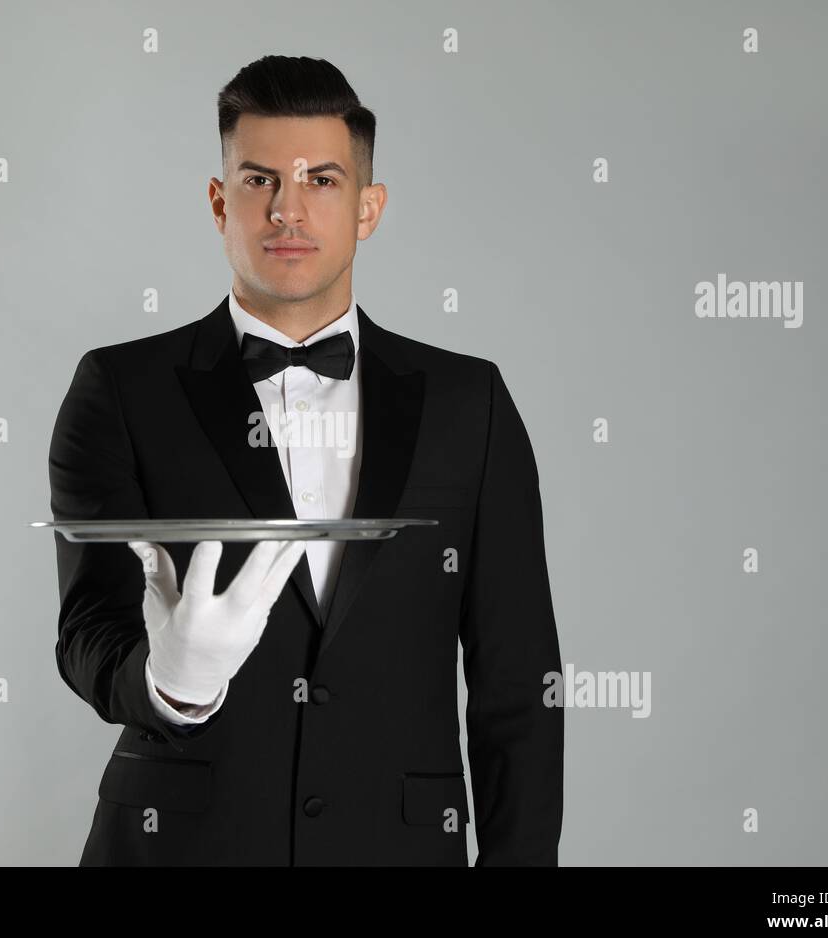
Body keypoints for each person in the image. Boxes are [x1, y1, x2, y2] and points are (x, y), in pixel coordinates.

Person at [48, 54, 563, 865]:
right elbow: (88, 631)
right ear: (220, 203)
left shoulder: (472, 403)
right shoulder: (118, 388)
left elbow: (519, 686)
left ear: (368, 207)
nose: (288, 210)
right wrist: (169, 682)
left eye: (321, 180)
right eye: (259, 181)